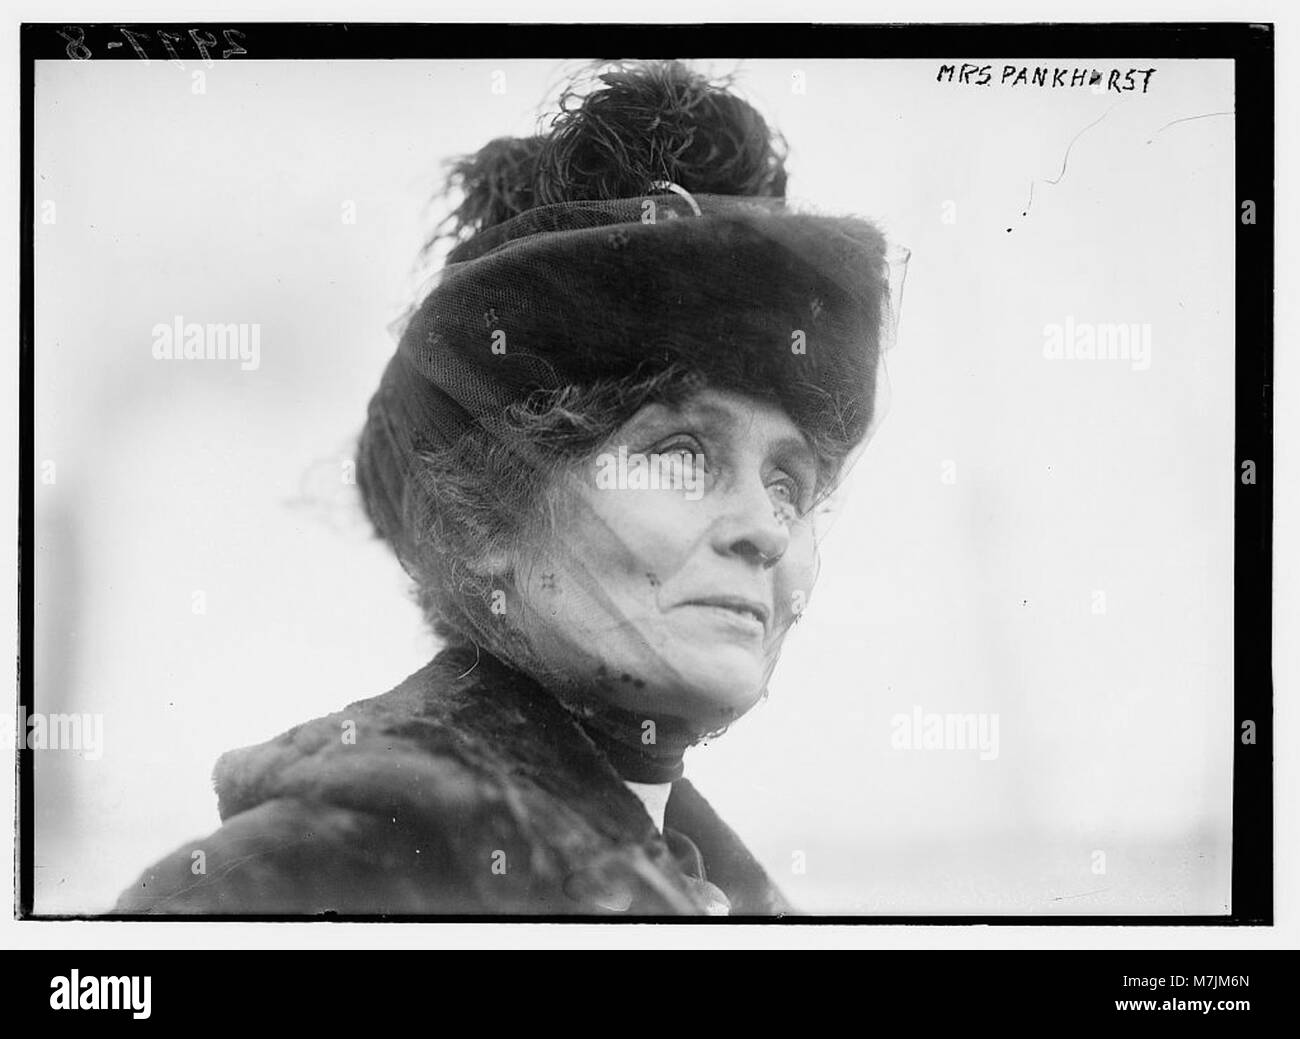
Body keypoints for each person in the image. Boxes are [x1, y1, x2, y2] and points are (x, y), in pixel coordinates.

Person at [114, 58, 905, 916]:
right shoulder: (303, 882)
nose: (766, 528)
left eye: (790, 483)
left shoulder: (716, 894)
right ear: (492, 516)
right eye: (680, 455)